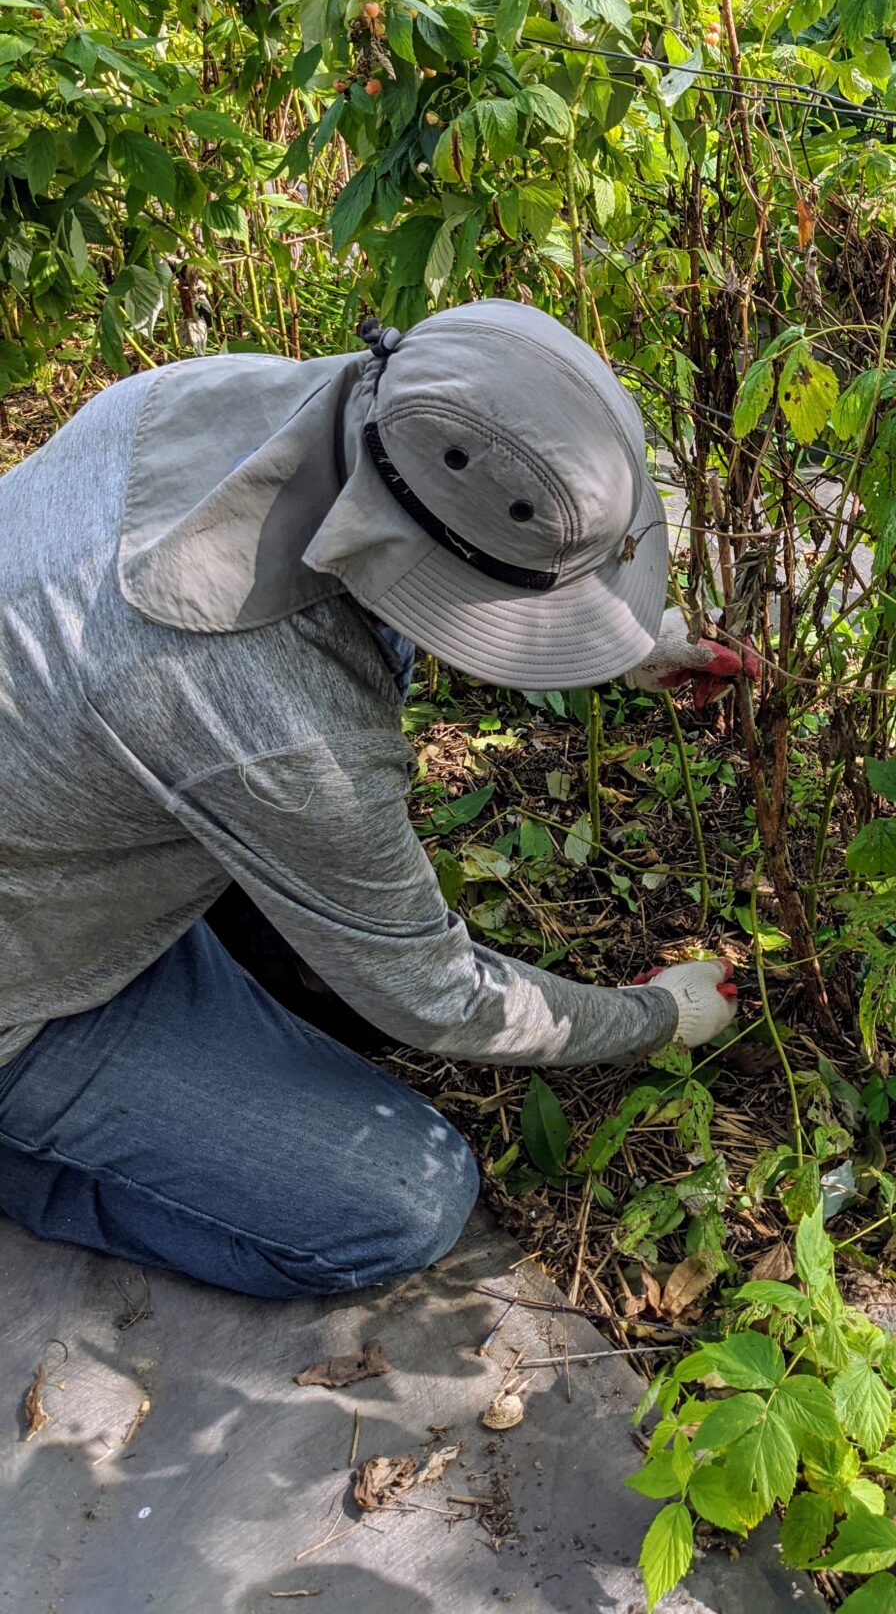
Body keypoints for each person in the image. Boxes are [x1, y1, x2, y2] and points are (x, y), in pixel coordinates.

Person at [0, 300, 742, 1300]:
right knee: (401, 1200)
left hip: (58, 825)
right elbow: (437, 994)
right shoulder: (283, 733)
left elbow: (396, 560)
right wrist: (655, 1014)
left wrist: (625, 641)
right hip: (31, 987)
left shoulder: (208, 396)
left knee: (327, 967)